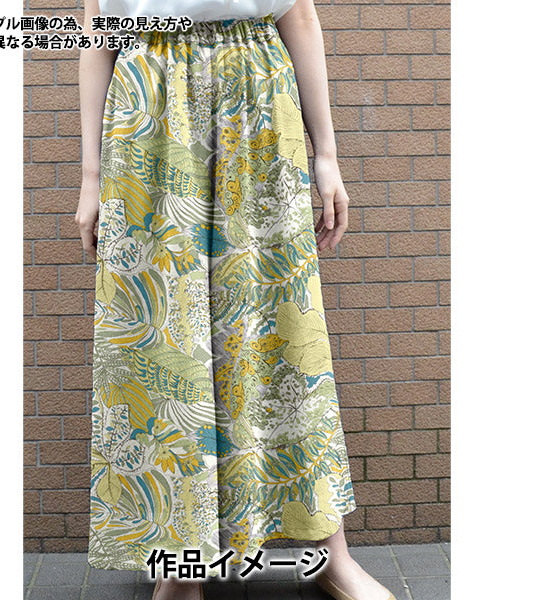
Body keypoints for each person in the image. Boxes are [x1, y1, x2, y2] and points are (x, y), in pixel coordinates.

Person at [76, 1, 396, 599]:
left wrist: (327, 154)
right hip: (148, 107)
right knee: (161, 334)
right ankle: (179, 567)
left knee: (281, 322)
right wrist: (90, 177)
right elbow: (97, 36)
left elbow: (299, 16)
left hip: (257, 97)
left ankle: (331, 552)